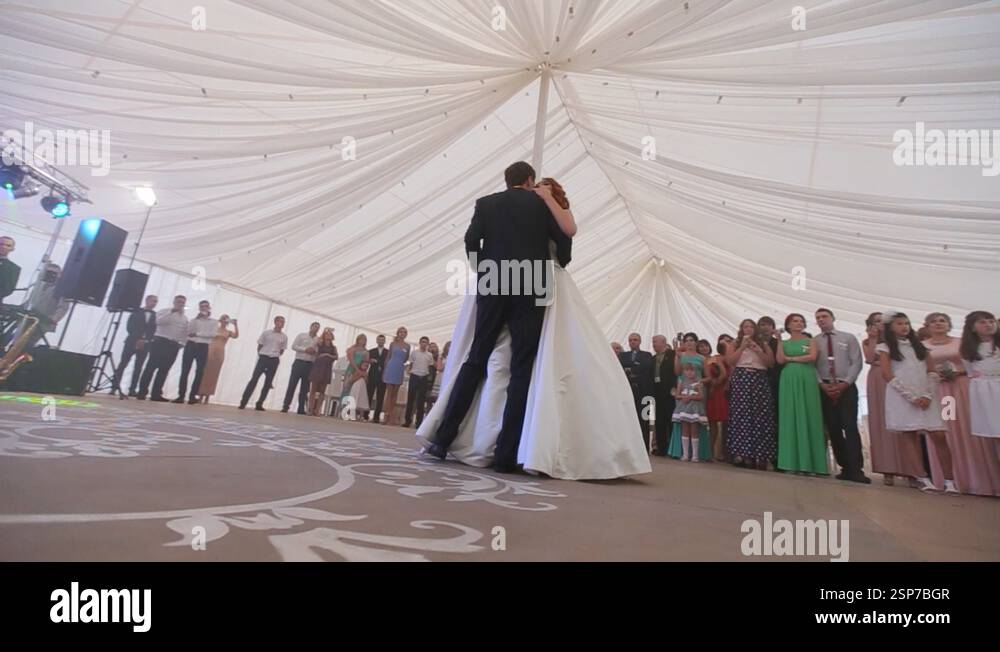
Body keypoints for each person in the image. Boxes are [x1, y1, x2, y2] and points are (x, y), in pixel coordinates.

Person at [417, 171, 649, 479]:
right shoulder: (543, 205)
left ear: (508, 180)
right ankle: (506, 455)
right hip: (533, 284)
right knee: (522, 369)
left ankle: (443, 440)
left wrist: (485, 269)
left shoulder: (486, 203)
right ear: (529, 180)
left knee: (476, 359)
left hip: (495, 282)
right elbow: (564, 247)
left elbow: (471, 240)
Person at [925, 312, 1000, 497]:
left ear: (949, 324)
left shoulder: (960, 343)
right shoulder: (923, 346)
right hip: (943, 393)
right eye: (933, 321)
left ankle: (983, 479)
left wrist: (957, 372)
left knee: (971, 429)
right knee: (950, 427)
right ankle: (955, 478)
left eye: (942, 320)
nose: (938, 324)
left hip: (963, 388)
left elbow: (970, 367)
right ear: (927, 326)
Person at [877, 311, 946, 493]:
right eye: (899, 323)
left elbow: (931, 371)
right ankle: (921, 477)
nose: (904, 326)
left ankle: (949, 480)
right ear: (890, 327)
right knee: (909, 434)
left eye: (906, 323)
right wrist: (911, 396)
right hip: (901, 394)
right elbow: (887, 373)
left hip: (925, 393)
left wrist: (927, 394)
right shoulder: (885, 348)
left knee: (939, 434)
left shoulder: (921, 347)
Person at [862, 311, 924, 486]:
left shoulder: (905, 342)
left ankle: (913, 471)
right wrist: (873, 337)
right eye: (875, 322)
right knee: (882, 423)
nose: (880, 324)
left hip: (902, 377)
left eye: (882, 321)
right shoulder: (868, 341)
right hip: (878, 379)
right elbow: (869, 358)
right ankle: (886, 469)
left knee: (907, 423)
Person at [813, 308, 870, 483]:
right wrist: (821, 384)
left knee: (850, 427)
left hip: (846, 386)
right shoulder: (814, 341)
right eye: (818, 318)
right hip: (824, 386)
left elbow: (856, 362)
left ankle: (856, 468)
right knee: (833, 428)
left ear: (833, 318)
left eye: (825, 316)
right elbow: (812, 364)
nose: (822, 320)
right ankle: (844, 466)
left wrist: (846, 383)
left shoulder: (848, 338)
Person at [776, 314, 827, 475]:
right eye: (795, 321)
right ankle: (790, 462)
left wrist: (791, 358)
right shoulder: (784, 342)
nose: (798, 324)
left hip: (807, 377)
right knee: (789, 416)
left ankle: (812, 463)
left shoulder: (811, 341)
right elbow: (780, 360)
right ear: (788, 325)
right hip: (788, 378)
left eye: (801, 321)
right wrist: (778, 340)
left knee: (810, 415)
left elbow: (812, 357)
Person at [725, 319, 776, 470]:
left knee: (761, 416)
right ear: (741, 329)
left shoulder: (763, 343)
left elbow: (770, 363)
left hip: (759, 378)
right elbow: (731, 361)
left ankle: (761, 455)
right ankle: (742, 454)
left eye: (751, 326)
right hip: (742, 377)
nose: (748, 329)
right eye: (745, 326)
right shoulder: (735, 343)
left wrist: (757, 349)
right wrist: (742, 347)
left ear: (755, 329)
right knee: (741, 416)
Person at [962, 311, 1000, 457]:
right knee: (996, 433)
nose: (988, 325)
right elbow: (970, 371)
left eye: (991, 321)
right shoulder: (968, 349)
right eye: (982, 322)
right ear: (972, 327)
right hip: (986, 391)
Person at [136, 295, 188, 402]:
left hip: (173, 345)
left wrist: (182, 343)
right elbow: (158, 322)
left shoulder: (184, 318)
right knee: (151, 367)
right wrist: (171, 312)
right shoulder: (164, 311)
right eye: (178, 302)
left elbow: (184, 332)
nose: (180, 304)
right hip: (160, 342)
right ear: (174, 302)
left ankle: (156, 394)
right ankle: (142, 392)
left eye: (183, 303)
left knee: (164, 370)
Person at [112, 294, 157, 397]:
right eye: (153, 301)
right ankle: (114, 386)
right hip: (131, 341)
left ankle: (132, 389)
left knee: (138, 367)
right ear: (147, 300)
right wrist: (138, 339)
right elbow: (130, 326)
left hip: (145, 344)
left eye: (155, 302)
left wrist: (145, 340)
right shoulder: (136, 311)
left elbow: (154, 330)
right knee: (123, 363)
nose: (154, 303)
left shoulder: (155, 315)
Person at [239, 316, 288, 411]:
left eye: (283, 322)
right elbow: (260, 345)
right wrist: (263, 354)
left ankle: (260, 403)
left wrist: (274, 355)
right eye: (280, 321)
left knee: (268, 383)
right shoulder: (266, 333)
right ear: (275, 322)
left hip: (274, 359)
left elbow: (282, 350)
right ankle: (244, 401)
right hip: (263, 357)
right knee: (254, 379)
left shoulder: (284, 337)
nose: (282, 324)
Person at [174, 300, 217, 404]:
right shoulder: (194, 320)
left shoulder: (214, 321)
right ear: (199, 308)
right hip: (191, 345)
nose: (204, 308)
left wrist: (198, 334)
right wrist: (196, 321)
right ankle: (181, 395)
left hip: (203, 346)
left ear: (209, 307)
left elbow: (212, 334)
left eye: (206, 306)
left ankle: (192, 396)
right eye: (202, 306)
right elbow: (189, 332)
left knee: (199, 372)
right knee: (185, 371)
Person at [619, 332, 655, 452]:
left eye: (635, 340)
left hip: (644, 392)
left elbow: (646, 367)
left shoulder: (647, 355)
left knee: (644, 419)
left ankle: (644, 447)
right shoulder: (623, 355)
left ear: (640, 341)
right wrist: (635, 366)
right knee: (627, 418)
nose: (633, 342)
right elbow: (621, 366)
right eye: (630, 340)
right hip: (628, 391)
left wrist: (631, 367)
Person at [668, 362, 709, 461]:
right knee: (685, 430)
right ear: (684, 372)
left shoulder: (698, 382)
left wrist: (690, 397)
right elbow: (677, 395)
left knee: (694, 430)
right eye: (687, 370)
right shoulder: (681, 381)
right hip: (684, 408)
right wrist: (683, 397)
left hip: (694, 408)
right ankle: (685, 454)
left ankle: (695, 455)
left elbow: (701, 396)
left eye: (692, 370)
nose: (690, 372)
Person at [195, 314, 239, 403]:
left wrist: (235, 325)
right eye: (223, 318)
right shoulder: (215, 328)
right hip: (210, 351)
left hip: (220, 352)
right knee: (205, 373)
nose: (224, 321)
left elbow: (236, 336)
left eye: (226, 319)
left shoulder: (228, 332)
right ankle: (200, 394)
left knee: (214, 374)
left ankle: (208, 395)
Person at [283, 322, 320, 414]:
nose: (316, 329)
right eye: (314, 327)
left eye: (318, 328)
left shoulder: (318, 339)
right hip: (299, 362)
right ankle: (286, 406)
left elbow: (319, 352)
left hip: (310, 364)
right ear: (310, 327)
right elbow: (294, 346)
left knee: (305, 388)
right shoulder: (302, 335)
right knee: (292, 385)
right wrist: (305, 349)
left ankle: (301, 408)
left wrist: (314, 351)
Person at [650, 334, 677, 457]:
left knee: (670, 420)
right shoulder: (654, 357)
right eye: (653, 342)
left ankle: (672, 448)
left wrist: (675, 387)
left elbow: (676, 372)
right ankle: (661, 448)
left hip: (670, 391)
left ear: (664, 342)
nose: (654, 344)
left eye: (656, 341)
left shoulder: (672, 354)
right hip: (657, 391)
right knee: (659, 420)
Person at [706, 335, 731, 462]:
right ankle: (710, 452)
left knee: (727, 423)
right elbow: (709, 373)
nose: (725, 343)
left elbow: (726, 375)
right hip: (714, 392)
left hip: (727, 392)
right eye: (723, 341)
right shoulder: (713, 358)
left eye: (728, 341)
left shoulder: (732, 358)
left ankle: (726, 453)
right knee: (713, 422)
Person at [380, 327, 410, 426]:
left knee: (395, 394)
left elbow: (406, 359)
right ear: (398, 333)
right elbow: (388, 357)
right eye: (401, 332)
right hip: (391, 367)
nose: (402, 333)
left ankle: (392, 416)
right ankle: (386, 415)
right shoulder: (393, 344)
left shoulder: (407, 346)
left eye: (404, 332)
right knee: (389, 393)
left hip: (399, 368)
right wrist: (385, 369)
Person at [403, 336, 435, 428]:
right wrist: (409, 372)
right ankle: (407, 420)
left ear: (428, 344)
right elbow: (411, 364)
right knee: (410, 399)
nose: (424, 344)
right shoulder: (414, 353)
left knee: (421, 401)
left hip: (424, 377)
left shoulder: (429, 355)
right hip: (414, 376)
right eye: (422, 342)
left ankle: (418, 422)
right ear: (420, 343)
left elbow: (430, 367)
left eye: (426, 342)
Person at [308, 328, 338, 416]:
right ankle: (310, 408)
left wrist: (327, 355)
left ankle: (317, 410)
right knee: (313, 389)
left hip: (327, 368)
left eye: (330, 335)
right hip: (318, 367)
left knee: (322, 391)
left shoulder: (333, 347)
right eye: (327, 334)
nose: (328, 336)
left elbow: (336, 357)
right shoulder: (319, 344)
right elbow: (316, 354)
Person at [366, 334, 389, 422]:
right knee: (369, 394)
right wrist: (370, 361)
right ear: (377, 341)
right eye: (379, 340)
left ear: (384, 341)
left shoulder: (388, 352)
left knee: (380, 397)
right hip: (372, 375)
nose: (381, 341)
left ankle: (376, 417)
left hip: (383, 376)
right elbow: (367, 362)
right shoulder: (371, 351)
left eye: (382, 340)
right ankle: (365, 414)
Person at [0, 236, 20, 303]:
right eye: (1, 244)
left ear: (12, 249)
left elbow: (8, 289)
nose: (3, 247)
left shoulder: (14, 268)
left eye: (8, 245)